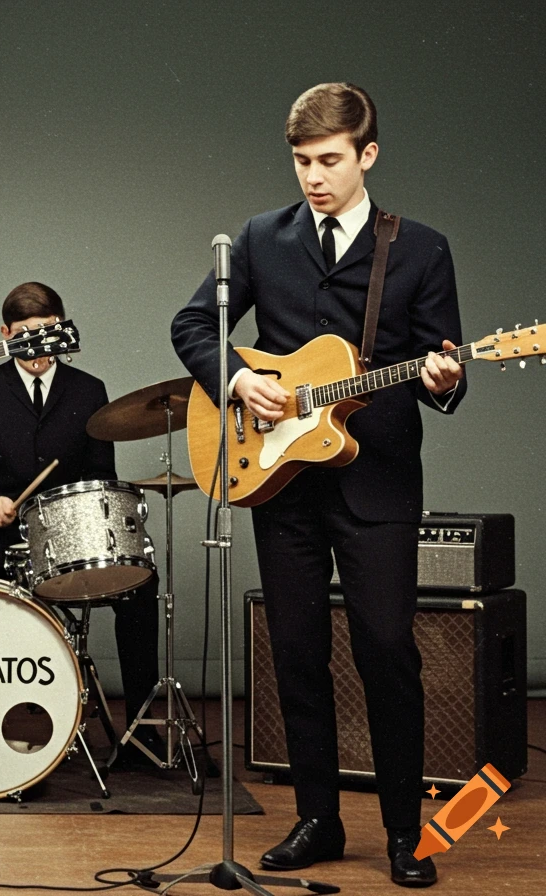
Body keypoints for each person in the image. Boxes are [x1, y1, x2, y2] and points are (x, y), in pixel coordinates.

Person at [171, 82, 464, 888]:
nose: (313, 177)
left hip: (377, 485)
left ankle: (405, 832)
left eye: (330, 160)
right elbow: (192, 325)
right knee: (295, 655)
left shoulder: (421, 249)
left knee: (386, 653)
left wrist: (443, 379)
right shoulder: (261, 237)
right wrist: (239, 380)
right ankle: (317, 820)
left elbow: (446, 369)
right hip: (281, 481)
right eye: (302, 161)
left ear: (368, 155)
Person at [0, 281, 163, 763]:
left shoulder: (89, 389)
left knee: (141, 585)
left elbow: (102, 475)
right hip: (0, 531)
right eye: (26, 333)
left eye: (48, 330)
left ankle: (140, 733)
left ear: (61, 328)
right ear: (5, 334)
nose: (39, 345)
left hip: (70, 533)